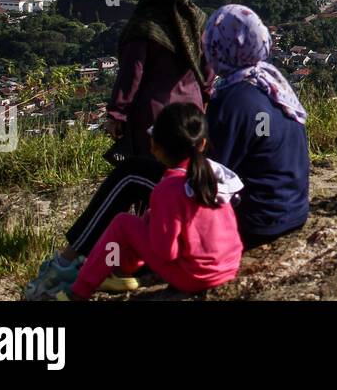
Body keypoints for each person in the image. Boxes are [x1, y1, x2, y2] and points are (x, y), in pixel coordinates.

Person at [24, 0, 210, 299]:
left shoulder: (146, 26)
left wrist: (117, 115)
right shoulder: (197, 20)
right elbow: (207, 69)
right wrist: (206, 98)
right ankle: (150, 252)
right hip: (193, 116)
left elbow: (132, 76)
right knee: (174, 186)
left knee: (142, 186)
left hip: (154, 119)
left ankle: (123, 261)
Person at [61, 102, 243, 300]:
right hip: (229, 266)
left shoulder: (168, 188)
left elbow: (166, 252)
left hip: (195, 277)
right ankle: (123, 271)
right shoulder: (215, 174)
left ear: (155, 146)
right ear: (202, 144)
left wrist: (151, 228)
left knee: (123, 223)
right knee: (145, 221)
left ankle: (79, 291)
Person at [204, 4, 311, 249]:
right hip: (294, 211)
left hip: (259, 223)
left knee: (139, 178)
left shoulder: (234, 100)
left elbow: (212, 174)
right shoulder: (272, 81)